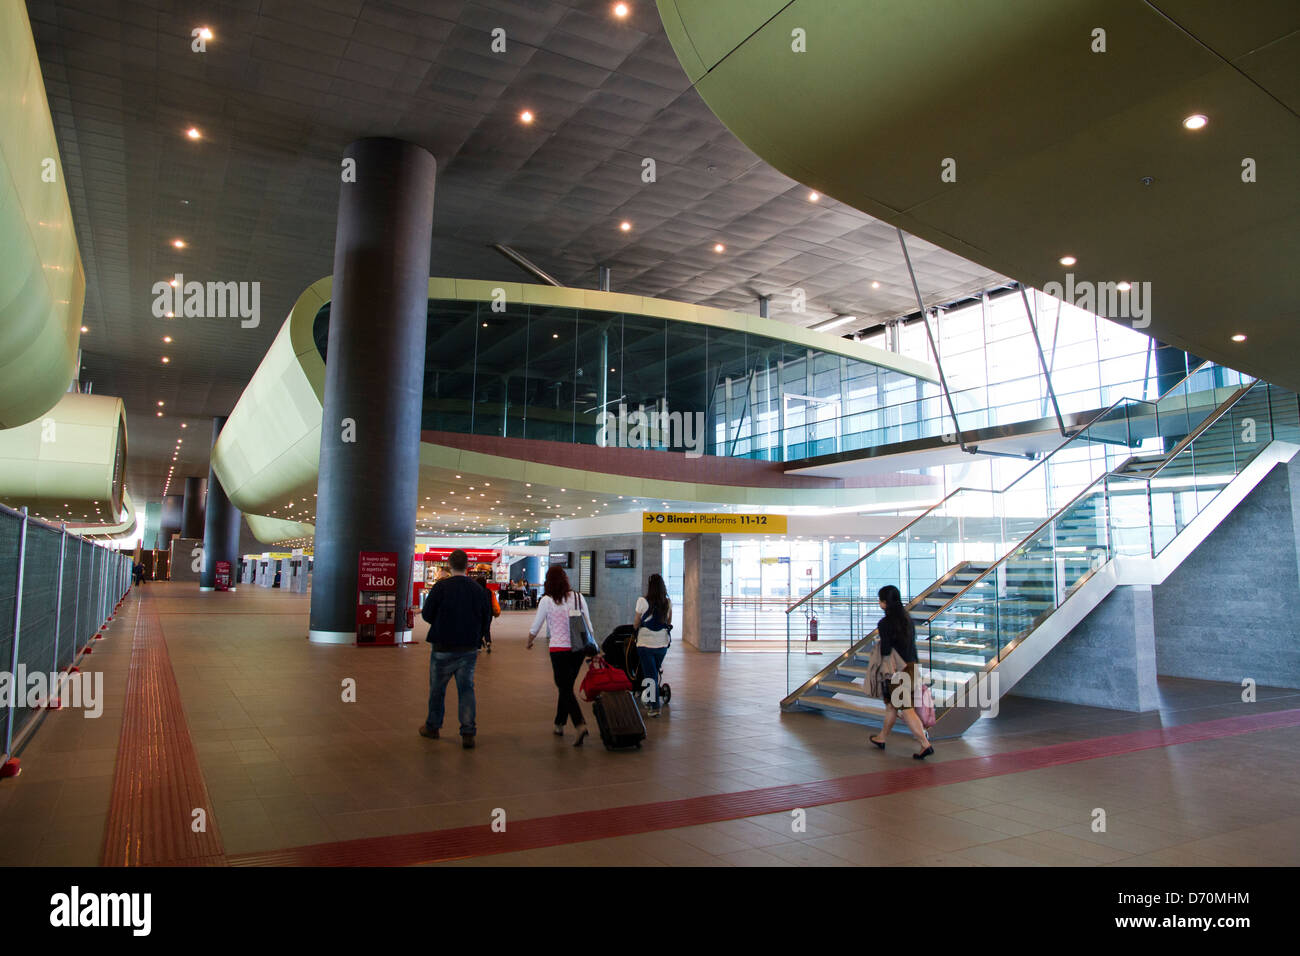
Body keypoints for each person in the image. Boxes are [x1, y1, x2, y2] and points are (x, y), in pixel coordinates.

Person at [420, 548, 491, 749]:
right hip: (468, 647)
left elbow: (427, 614)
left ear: (450, 565)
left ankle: (433, 726)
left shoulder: (441, 588)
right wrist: (478, 636)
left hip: (442, 645)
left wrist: (440, 623)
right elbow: (486, 618)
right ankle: (468, 731)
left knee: (437, 688)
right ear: (468, 566)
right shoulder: (477, 590)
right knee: (466, 689)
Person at [526, 565, 595, 746]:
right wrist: (592, 646)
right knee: (566, 686)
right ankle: (559, 723)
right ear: (565, 579)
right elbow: (588, 625)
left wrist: (529, 641)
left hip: (559, 650)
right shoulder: (579, 597)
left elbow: (536, 625)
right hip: (578, 650)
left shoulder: (547, 600)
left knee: (564, 687)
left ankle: (580, 724)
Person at [868, 585, 934, 759]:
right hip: (912, 666)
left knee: (906, 708)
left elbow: (886, 651)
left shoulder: (885, 623)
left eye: (880, 599)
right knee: (892, 705)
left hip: (897, 671)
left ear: (885, 602)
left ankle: (924, 744)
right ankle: (881, 737)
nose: (879, 602)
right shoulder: (907, 618)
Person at [633, 573, 673, 717]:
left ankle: (654, 706)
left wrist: (636, 628)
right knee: (654, 672)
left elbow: (636, 622)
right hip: (662, 644)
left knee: (650, 675)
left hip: (645, 644)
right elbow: (668, 623)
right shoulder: (667, 602)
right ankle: (650, 699)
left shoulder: (642, 601)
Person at [478, 577, 500, 653]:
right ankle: (488, 642)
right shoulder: (489, 591)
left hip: (479, 613)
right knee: (487, 629)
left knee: (479, 629)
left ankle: (479, 646)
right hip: (488, 613)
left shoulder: (476, 591)